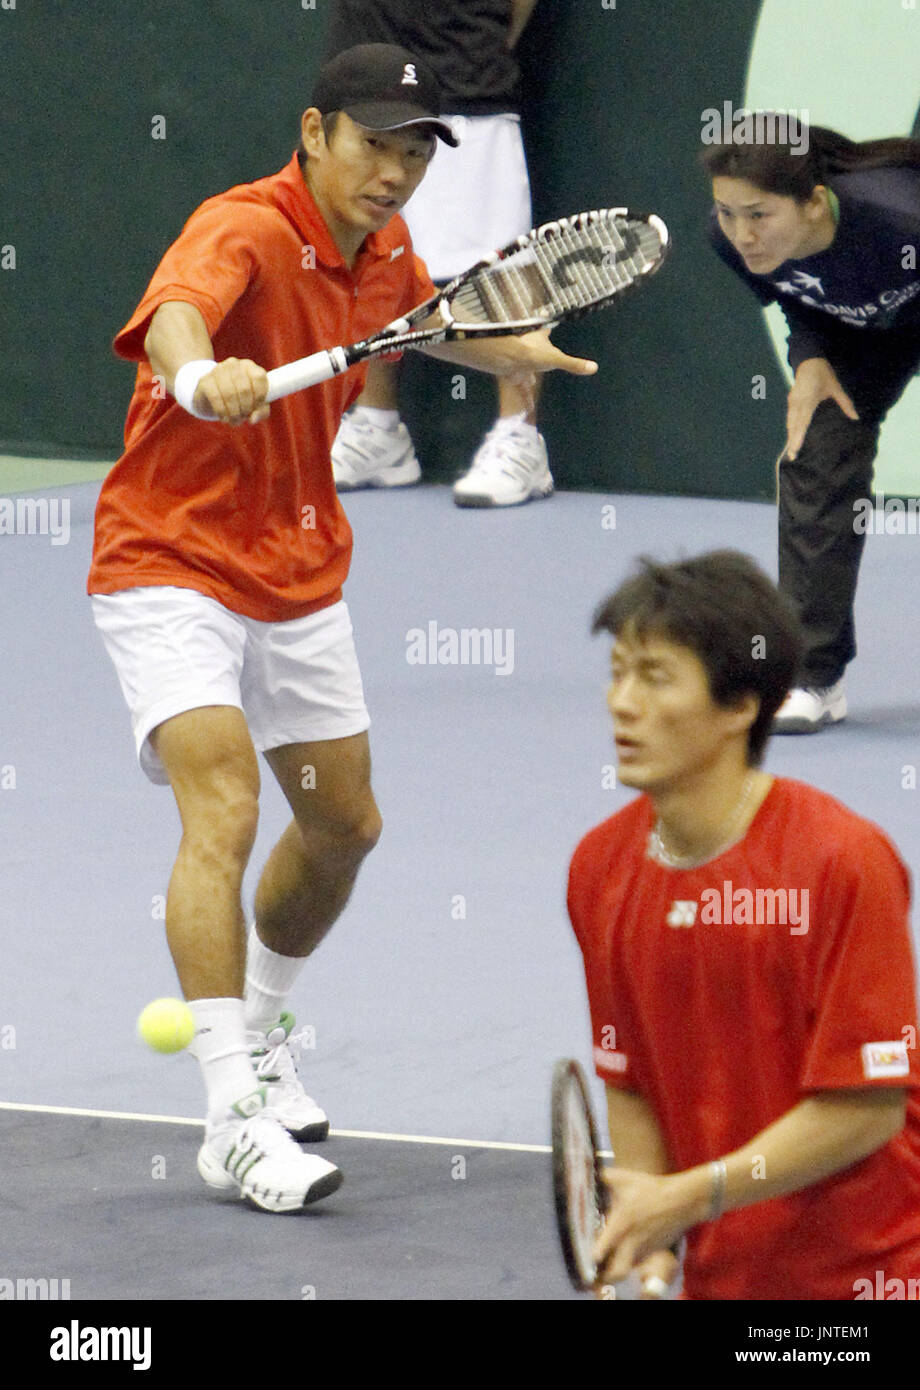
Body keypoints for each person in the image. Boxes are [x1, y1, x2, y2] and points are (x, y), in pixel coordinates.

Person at [88, 43, 596, 1213]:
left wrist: (501, 348)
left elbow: (406, 327)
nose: (398, 170)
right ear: (315, 132)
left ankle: (261, 1030)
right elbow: (176, 313)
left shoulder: (383, 247)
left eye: (418, 152)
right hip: (168, 560)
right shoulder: (244, 226)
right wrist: (202, 369)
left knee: (343, 825)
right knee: (223, 799)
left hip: (297, 566)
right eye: (376, 144)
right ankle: (228, 1114)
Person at [567, 551, 920, 1300]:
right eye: (618, 671)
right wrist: (652, 1229)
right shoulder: (598, 870)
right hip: (727, 1281)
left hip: (876, 1277)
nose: (622, 703)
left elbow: (868, 1109)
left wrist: (689, 1198)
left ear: (740, 707)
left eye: (655, 677)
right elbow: (629, 1076)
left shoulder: (842, 863)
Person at [702, 121, 920, 733]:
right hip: (864, 335)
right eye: (726, 212)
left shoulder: (900, 220)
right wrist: (811, 357)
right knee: (815, 456)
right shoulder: (730, 243)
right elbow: (798, 289)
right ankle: (813, 677)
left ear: (814, 202)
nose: (742, 234)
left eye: (759, 215)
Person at [324, 1, 549, 507]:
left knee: (501, 276)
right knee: (370, 260)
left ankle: (522, 437)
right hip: (363, 74)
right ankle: (377, 427)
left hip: (466, 80)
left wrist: (477, 38)